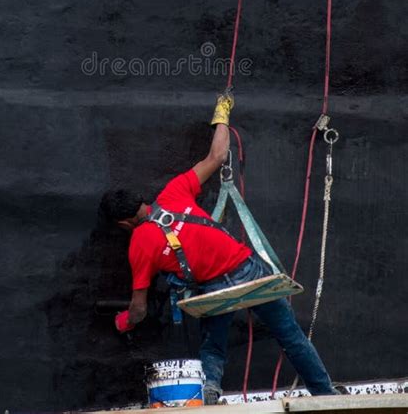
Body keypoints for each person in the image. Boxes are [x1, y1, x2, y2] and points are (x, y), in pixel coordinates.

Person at [100, 92, 339, 403]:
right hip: (249, 271)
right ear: (141, 202)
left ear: (123, 223)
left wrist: (122, 323)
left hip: (215, 290)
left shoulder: (139, 244)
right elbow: (216, 156)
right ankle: (327, 395)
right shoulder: (173, 192)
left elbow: (139, 309)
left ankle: (210, 396)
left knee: (213, 347)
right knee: (291, 337)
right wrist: (222, 115)